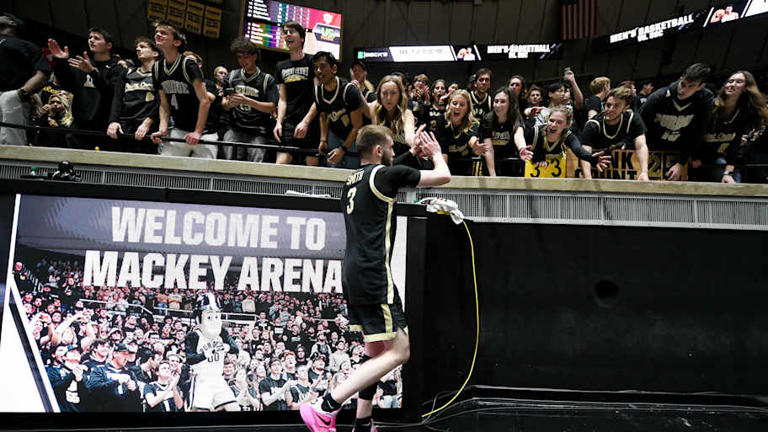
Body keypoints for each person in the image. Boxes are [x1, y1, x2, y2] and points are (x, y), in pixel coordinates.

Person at [299, 124, 451, 432]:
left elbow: (390, 173)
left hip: (353, 273)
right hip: (374, 275)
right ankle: (325, 407)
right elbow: (443, 177)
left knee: (376, 352)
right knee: (401, 351)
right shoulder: (385, 175)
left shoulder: (351, 180)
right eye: (392, 149)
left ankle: (363, 421)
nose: (396, 154)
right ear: (379, 151)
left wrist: (410, 153)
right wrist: (436, 155)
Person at [150, 21, 218, 158]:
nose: (158, 34)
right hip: (180, 129)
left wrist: (198, 132)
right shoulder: (157, 68)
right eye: (156, 32)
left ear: (177, 42)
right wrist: (162, 128)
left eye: (163, 32)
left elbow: (205, 101)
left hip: (205, 131)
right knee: (165, 169)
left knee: (205, 175)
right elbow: (164, 104)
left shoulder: (188, 65)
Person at [48, 27, 122, 149]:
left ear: (108, 45)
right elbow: (65, 84)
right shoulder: (82, 64)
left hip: (104, 129)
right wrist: (60, 61)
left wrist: (93, 73)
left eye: (97, 38)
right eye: (90, 38)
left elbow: (111, 93)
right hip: (79, 127)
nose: (91, 40)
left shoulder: (117, 70)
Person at [639, 63, 714, 180]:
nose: (683, 90)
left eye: (691, 86)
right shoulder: (658, 97)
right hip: (651, 148)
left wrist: (682, 162)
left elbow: (698, 132)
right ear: (680, 78)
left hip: (678, 152)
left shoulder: (705, 99)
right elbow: (638, 127)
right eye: (683, 84)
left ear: (700, 86)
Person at [694, 71, 768, 183]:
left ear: (745, 88)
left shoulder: (744, 114)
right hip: (694, 158)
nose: (732, 84)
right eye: (730, 81)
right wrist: (692, 157)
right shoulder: (711, 106)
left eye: (738, 82)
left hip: (718, 157)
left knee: (733, 181)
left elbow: (735, 146)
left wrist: (728, 173)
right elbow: (691, 134)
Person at [220, 37, 278, 162]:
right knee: (228, 158)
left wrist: (247, 101)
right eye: (239, 57)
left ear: (254, 56)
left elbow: (271, 107)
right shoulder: (231, 77)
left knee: (255, 164)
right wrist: (229, 104)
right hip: (235, 128)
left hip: (258, 131)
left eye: (245, 57)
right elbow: (224, 103)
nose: (242, 61)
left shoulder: (267, 80)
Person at [273, 20, 320, 166]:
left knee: (312, 166)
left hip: (311, 122)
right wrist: (279, 122)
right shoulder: (280, 66)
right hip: (289, 123)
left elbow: (319, 97)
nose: (287, 35)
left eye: (291, 32)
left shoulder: (313, 62)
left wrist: (305, 122)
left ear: (301, 38)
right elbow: (282, 99)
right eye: (285, 33)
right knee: (280, 164)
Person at [0, 13, 50, 146]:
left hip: (10, 95)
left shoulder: (27, 46)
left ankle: (13, 167)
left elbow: (42, 73)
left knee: (11, 141)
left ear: (13, 23)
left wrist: (20, 94)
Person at [185, 293, 240, 411]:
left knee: (234, 408)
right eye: (209, 317)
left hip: (218, 378)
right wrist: (204, 355)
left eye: (217, 316)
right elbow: (189, 359)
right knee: (200, 411)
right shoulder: (194, 335)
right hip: (202, 379)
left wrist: (227, 347)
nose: (214, 321)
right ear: (198, 319)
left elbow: (235, 349)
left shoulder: (222, 332)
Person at [580, 87, 650, 180]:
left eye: (616, 106)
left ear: (626, 107)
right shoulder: (593, 125)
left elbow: (641, 146)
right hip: (596, 166)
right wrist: (588, 178)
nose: (610, 109)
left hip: (618, 166)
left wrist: (644, 172)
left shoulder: (633, 119)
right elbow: (585, 152)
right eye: (608, 105)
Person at [106, 37, 160, 154]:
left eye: (143, 47)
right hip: (124, 125)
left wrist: (146, 124)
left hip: (147, 127)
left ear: (155, 53)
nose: (138, 49)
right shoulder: (127, 74)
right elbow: (117, 99)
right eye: (137, 48)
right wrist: (113, 121)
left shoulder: (161, 75)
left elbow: (161, 103)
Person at [313, 51, 366, 168]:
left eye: (322, 66)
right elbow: (323, 115)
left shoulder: (349, 90)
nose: (318, 71)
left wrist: (342, 149)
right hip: (335, 133)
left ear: (334, 68)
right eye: (316, 67)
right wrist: (323, 139)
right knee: (332, 170)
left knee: (352, 173)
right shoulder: (318, 91)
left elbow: (357, 125)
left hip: (353, 135)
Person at [526, 107, 611, 178]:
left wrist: (592, 159)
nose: (553, 125)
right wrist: (537, 156)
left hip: (556, 177)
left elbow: (578, 150)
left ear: (567, 124)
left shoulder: (568, 135)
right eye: (551, 120)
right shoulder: (535, 131)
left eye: (559, 122)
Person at [479, 87, 529, 177]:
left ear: (510, 103)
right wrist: (493, 176)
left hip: (510, 166)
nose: (498, 105)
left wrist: (522, 148)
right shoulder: (487, 119)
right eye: (496, 101)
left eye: (502, 101)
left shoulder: (516, 117)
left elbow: (518, 134)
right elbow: (488, 149)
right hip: (491, 164)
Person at [433, 89, 480, 175]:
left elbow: (471, 137)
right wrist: (443, 173)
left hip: (464, 167)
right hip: (445, 163)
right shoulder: (441, 120)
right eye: (454, 103)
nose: (457, 107)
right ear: (449, 105)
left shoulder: (472, 123)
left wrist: (474, 145)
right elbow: (443, 149)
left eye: (462, 105)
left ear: (467, 108)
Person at [368, 75, 417, 157]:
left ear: (400, 95)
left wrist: (415, 143)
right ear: (379, 94)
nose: (388, 98)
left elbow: (409, 136)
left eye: (393, 93)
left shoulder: (406, 113)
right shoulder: (374, 108)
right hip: (383, 157)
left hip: (403, 158)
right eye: (384, 93)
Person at [86, 343, 142, 411]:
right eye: (124, 354)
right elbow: (93, 389)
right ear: (115, 354)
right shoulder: (100, 370)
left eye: (128, 355)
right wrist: (116, 382)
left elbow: (137, 401)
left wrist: (134, 390)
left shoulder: (130, 373)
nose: (126, 358)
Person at [47, 344, 86, 412]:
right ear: (64, 357)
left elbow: (87, 397)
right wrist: (72, 374)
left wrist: (80, 381)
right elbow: (56, 390)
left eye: (78, 353)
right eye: (72, 352)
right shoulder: (54, 371)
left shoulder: (85, 374)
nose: (76, 354)